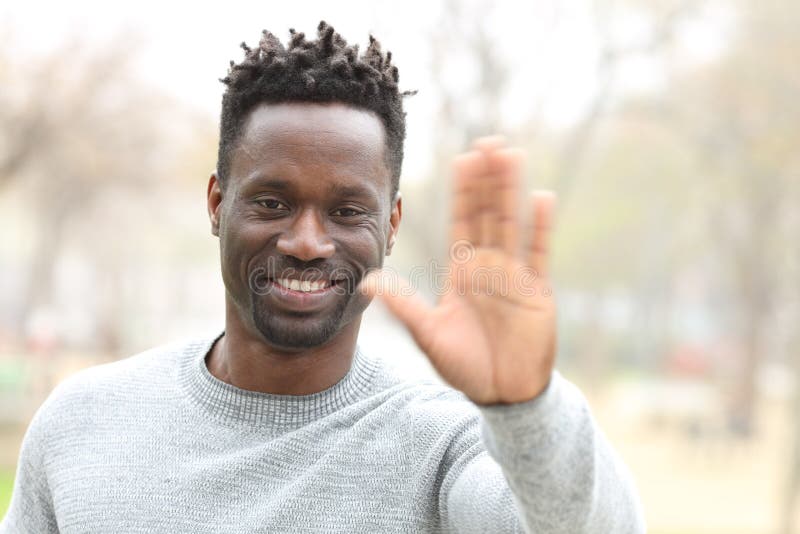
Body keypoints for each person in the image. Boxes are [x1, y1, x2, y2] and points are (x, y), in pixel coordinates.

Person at [0, 22, 645, 533]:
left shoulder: (443, 446)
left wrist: (526, 408)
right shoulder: (83, 423)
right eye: (272, 202)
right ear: (217, 205)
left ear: (391, 225)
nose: (307, 242)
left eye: (346, 212)